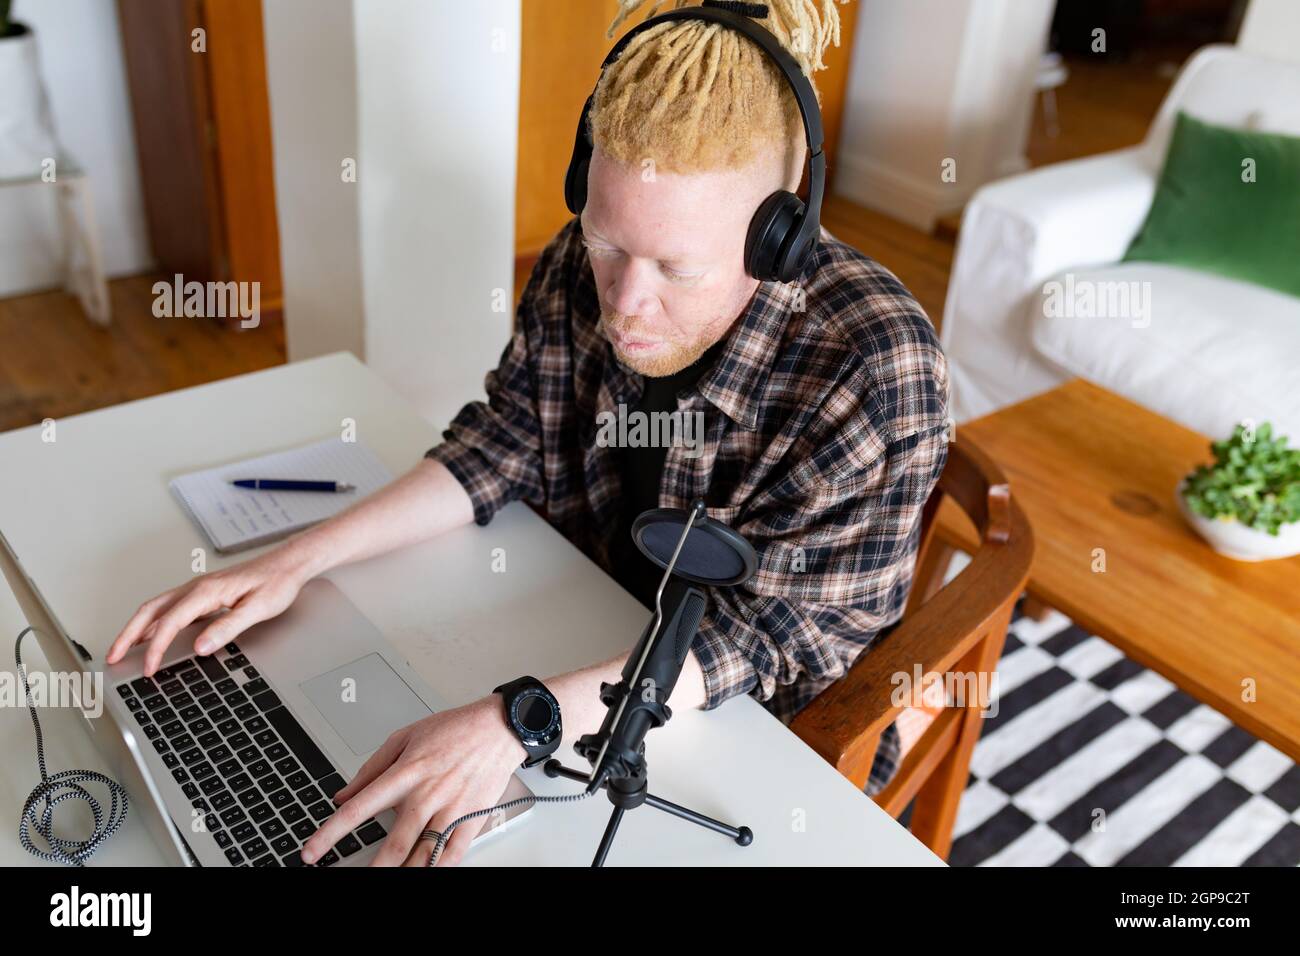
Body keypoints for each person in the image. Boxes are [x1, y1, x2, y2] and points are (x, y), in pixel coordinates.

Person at [107, 0, 949, 866]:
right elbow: (504, 440)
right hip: (576, 633)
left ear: (778, 237)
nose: (624, 301)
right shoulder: (571, 265)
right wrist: (297, 559)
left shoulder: (874, 370)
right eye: (608, 242)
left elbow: (760, 641)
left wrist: (518, 719)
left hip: (756, 734)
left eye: (677, 268)